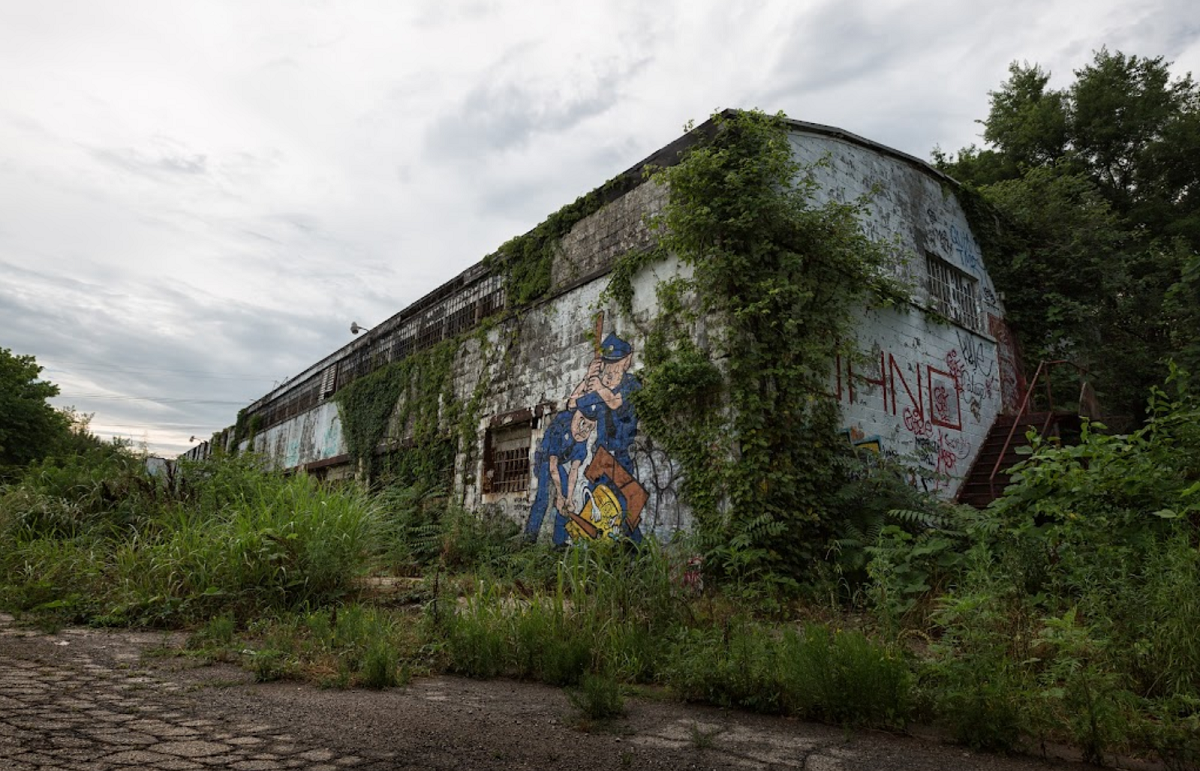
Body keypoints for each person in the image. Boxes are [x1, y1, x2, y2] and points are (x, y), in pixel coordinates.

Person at [524, 408, 596, 545]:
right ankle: (529, 538)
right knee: (543, 499)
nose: (584, 430)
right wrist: (559, 496)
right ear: (576, 418)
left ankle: (559, 542)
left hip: (559, 464)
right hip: (546, 460)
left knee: (566, 504)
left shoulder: (582, 441)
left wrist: (568, 498)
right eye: (582, 424)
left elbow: (574, 470)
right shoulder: (560, 427)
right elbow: (552, 466)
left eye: (589, 428)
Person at [569, 333, 639, 470]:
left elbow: (615, 403)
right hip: (600, 457)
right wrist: (587, 379)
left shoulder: (631, 383)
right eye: (608, 363)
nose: (611, 368)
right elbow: (572, 404)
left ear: (627, 361)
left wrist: (600, 387)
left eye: (615, 363)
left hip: (622, 457)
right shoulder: (599, 390)